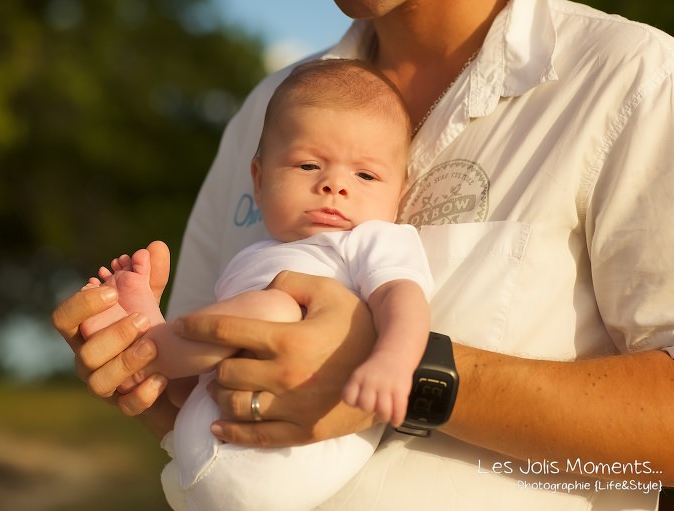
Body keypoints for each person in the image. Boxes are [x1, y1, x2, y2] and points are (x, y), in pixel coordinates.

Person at [53, 1, 674, 509]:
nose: (330, 186)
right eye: (304, 167)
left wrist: (416, 376)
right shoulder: (266, 109)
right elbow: (192, 384)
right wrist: (134, 353)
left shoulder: (632, 78)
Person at [78, 59, 434, 511]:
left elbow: (404, 298)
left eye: (365, 175)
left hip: (293, 458)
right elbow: (211, 378)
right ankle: (146, 335)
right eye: (308, 165)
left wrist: (394, 359)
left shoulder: (374, 239)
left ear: (399, 193)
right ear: (260, 180)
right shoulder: (249, 258)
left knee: (276, 312)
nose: (334, 186)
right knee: (223, 355)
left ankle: (149, 343)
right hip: (196, 460)